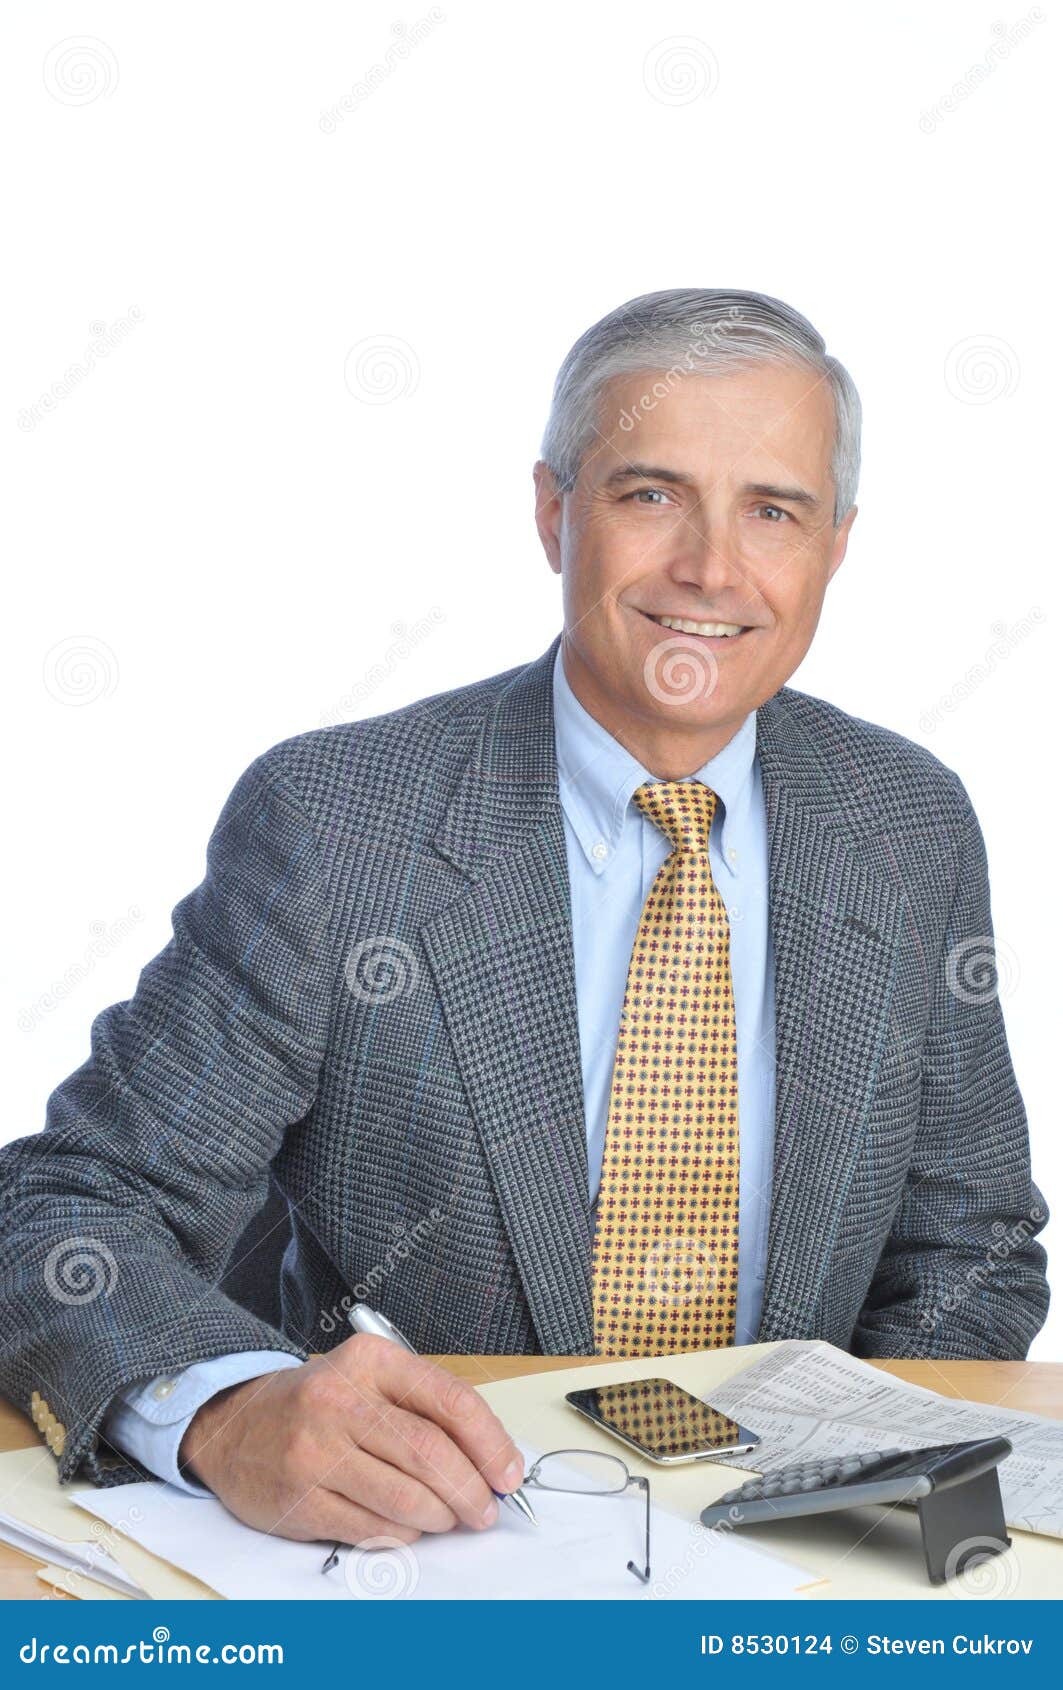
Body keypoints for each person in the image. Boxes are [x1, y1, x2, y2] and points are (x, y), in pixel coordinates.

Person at [1, 288, 1047, 1556]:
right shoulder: (339, 823)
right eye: (650, 494)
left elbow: (972, 1244)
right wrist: (225, 1411)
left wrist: (854, 1483)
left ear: (834, 546)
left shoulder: (907, 825)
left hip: (792, 1568)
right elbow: (65, 1207)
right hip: (427, 1551)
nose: (711, 569)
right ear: (553, 512)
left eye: (773, 511)